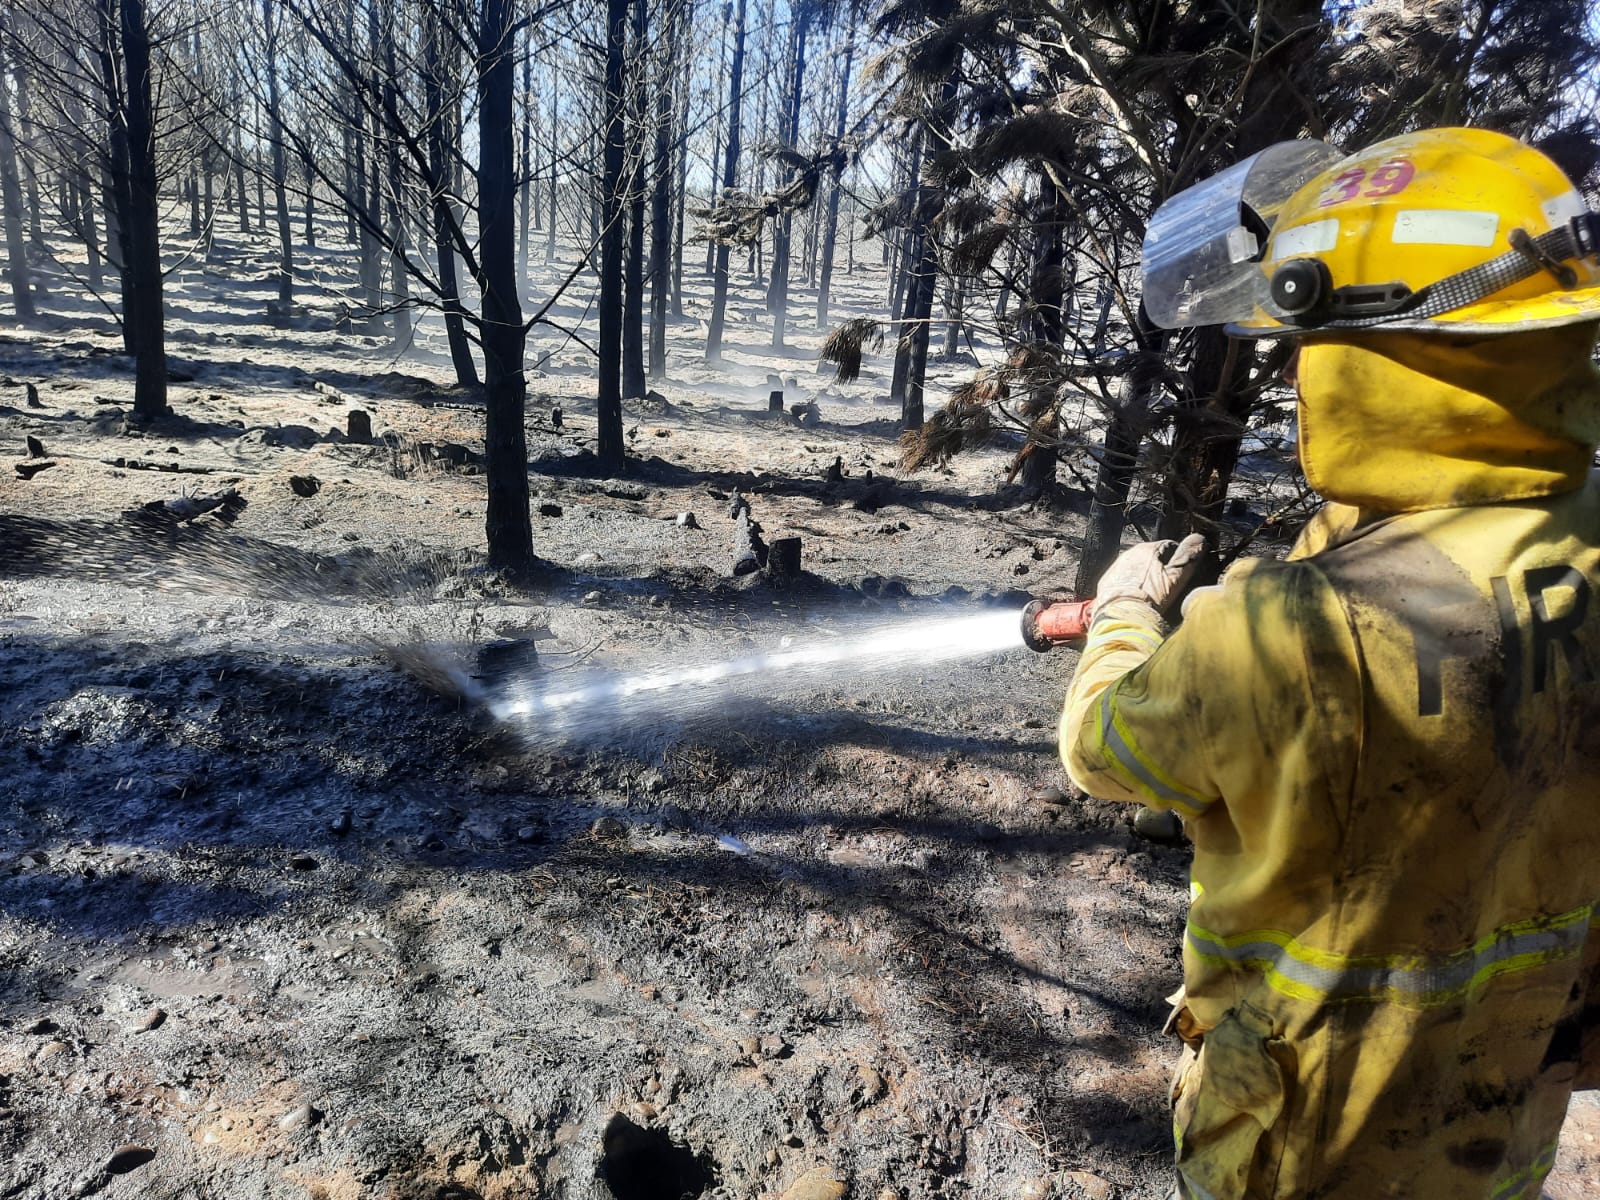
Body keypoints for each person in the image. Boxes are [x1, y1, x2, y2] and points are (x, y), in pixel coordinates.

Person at [1058, 126, 1600, 1199]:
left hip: (1310, 1137)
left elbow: (1101, 749)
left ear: (1371, 365)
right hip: (1499, 1115)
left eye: (1305, 348)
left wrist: (1125, 614)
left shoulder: (1277, 635)